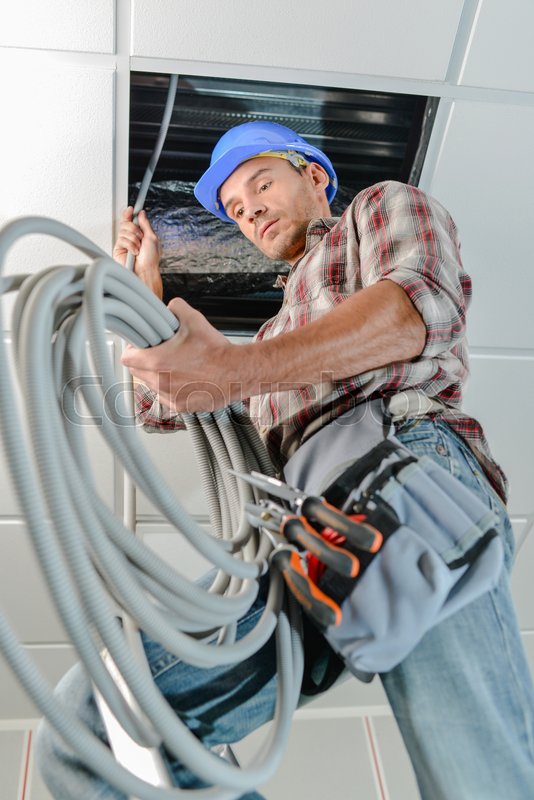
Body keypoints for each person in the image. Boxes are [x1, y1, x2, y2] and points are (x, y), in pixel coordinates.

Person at [36, 121, 534, 799]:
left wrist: (239, 369)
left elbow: (417, 311)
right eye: (235, 209)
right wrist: (146, 294)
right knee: (93, 725)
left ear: (316, 177)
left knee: (473, 775)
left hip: (406, 482)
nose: (250, 211)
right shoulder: (273, 334)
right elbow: (166, 409)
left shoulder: (378, 208)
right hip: (307, 543)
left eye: (261, 184)